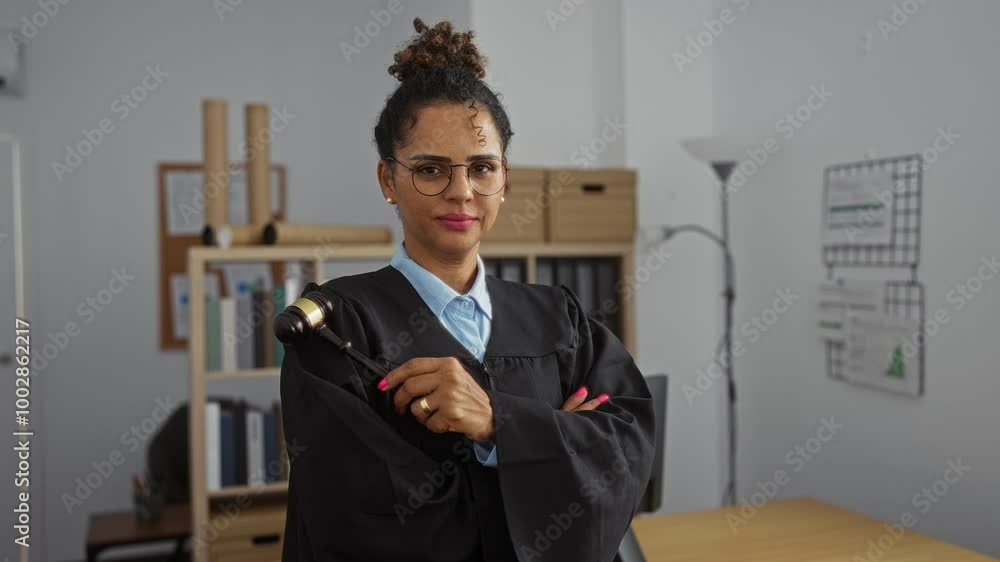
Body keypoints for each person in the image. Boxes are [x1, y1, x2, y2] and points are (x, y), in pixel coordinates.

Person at [279, 17, 655, 562]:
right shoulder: (337, 328)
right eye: (431, 169)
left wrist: (497, 425)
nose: (461, 192)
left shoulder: (558, 316)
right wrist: (554, 443)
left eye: (482, 167)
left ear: (505, 179)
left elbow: (628, 457)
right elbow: (360, 521)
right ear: (388, 179)